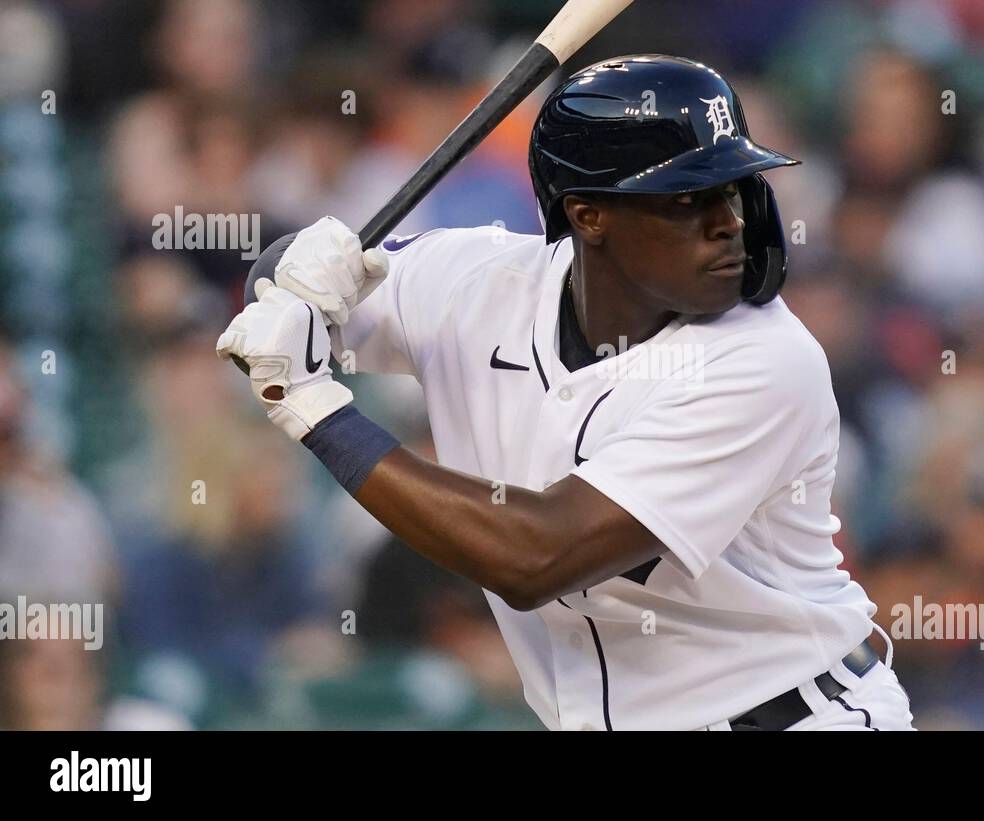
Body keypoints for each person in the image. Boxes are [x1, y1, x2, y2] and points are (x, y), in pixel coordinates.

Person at [215, 55, 913, 731]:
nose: (728, 221)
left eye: (733, 188)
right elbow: (278, 294)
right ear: (589, 215)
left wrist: (316, 409)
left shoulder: (763, 362)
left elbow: (536, 557)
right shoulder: (478, 284)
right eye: (688, 198)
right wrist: (297, 273)